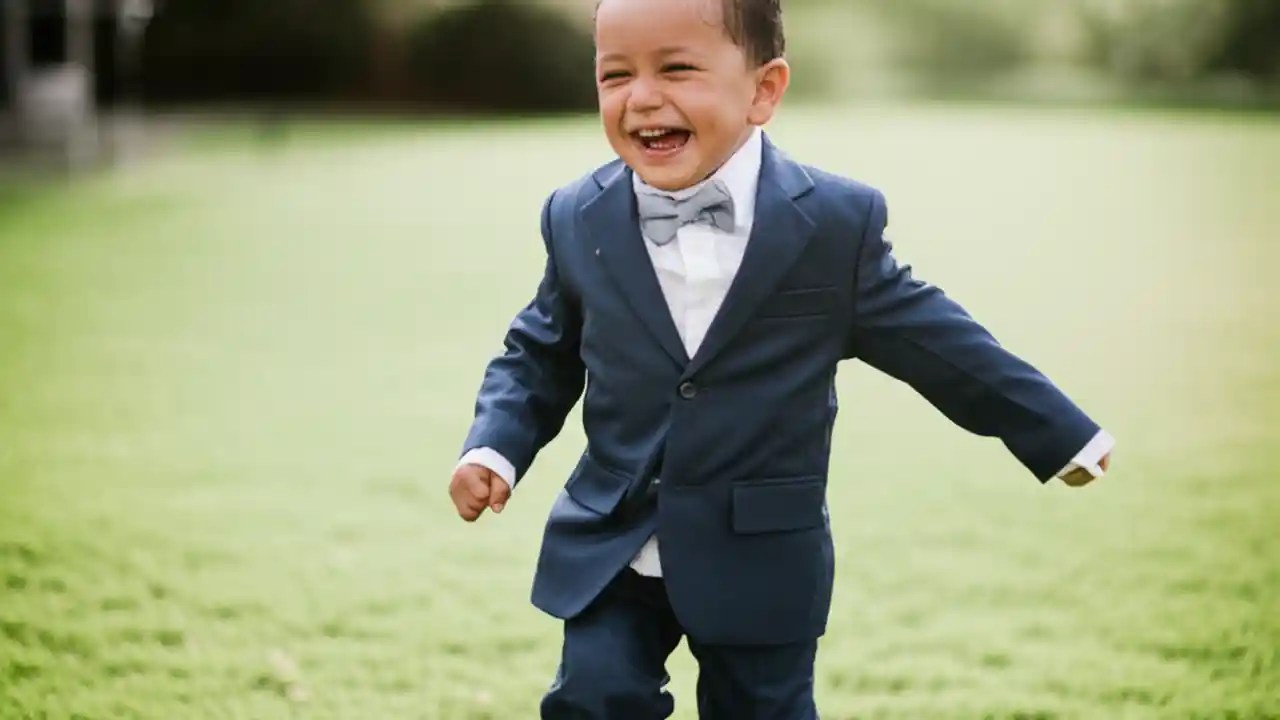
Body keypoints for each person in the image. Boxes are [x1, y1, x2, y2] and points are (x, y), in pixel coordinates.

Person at [448, 0, 1115, 716]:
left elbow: (940, 344)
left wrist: (1058, 432)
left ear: (763, 89)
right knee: (593, 697)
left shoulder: (832, 223)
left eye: (676, 69)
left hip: (758, 549)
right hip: (615, 539)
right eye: (616, 75)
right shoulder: (577, 214)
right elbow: (539, 352)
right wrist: (494, 448)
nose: (642, 97)